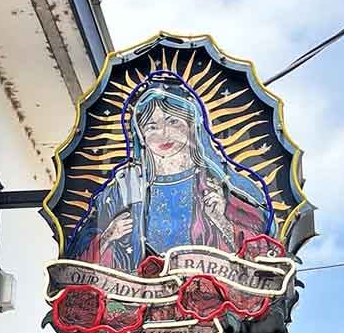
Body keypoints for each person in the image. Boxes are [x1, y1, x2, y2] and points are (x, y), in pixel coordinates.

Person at [66, 75, 272, 272]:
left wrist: (222, 219)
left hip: (209, 295)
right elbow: (77, 260)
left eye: (173, 122)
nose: (163, 134)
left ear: (192, 126)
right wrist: (108, 236)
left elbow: (264, 250)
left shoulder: (216, 184)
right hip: (139, 296)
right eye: (151, 126)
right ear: (141, 136)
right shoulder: (124, 187)